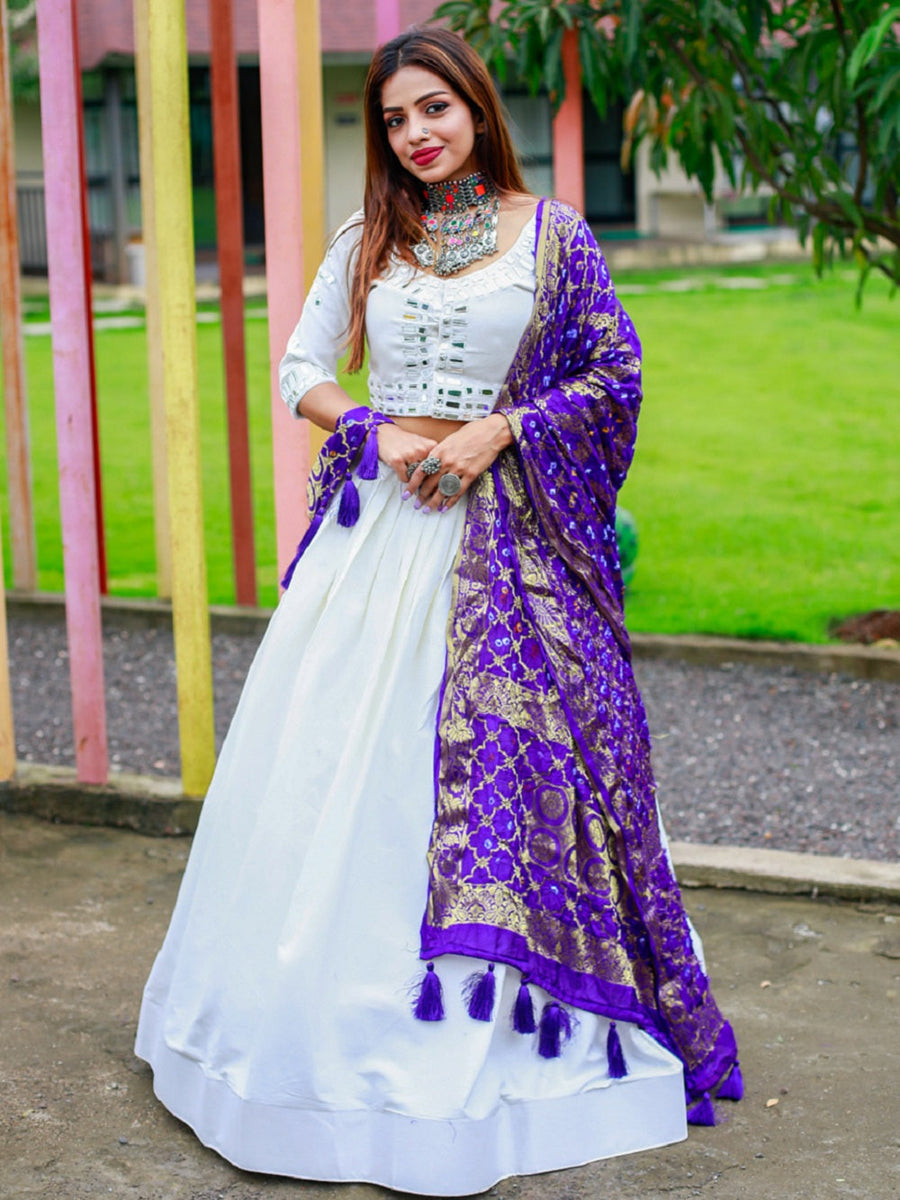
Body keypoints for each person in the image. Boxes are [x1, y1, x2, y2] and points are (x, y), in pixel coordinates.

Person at [136, 26, 741, 1195]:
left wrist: (497, 430)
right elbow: (301, 369)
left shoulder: (551, 236)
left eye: (434, 108)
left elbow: (611, 374)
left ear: (476, 107)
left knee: (519, 769)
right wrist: (373, 429)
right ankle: (310, 1037)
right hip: (378, 546)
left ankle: (523, 1033)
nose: (416, 133)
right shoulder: (370, 237)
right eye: (395, 119)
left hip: (509, 541)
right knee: (341, 778)